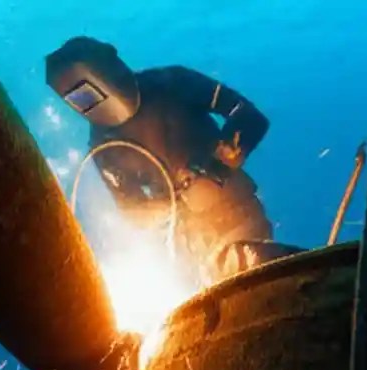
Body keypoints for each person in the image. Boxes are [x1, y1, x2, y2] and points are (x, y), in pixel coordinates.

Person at [45, 36, 303, 283]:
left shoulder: (171, 84)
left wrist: (218, 160)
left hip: (233, 215)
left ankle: (329, 279)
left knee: (250, 267)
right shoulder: (104, 143)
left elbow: (249, 117)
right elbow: (131, 208)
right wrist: (165, 205)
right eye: (79, 98)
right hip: (189, 245)